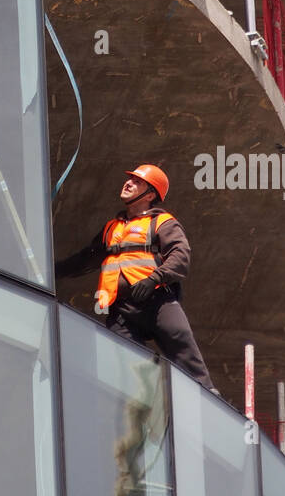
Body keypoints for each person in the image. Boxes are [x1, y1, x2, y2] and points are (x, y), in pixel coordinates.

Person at [56, 163, 216, 391]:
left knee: (184, 349)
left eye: (137, 181)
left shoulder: (162, 222)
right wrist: (51, 270)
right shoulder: (111, 227)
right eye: (129, 179)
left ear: (150, 194)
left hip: (157, 301)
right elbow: (84, 260)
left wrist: (154, 279)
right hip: (121, 310)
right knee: (129, 369)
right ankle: (150, 408)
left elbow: (180, 257)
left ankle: (210, 399)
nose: (128, 182)